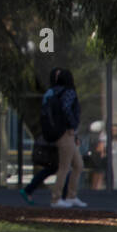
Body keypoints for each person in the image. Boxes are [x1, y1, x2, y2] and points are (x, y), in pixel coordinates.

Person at [21, 67, 69, 204]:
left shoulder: (52, 94)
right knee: (64, 167)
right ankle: (61, 197)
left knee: (55, 167)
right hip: (56, 135)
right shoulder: (53, 95)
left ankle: (30, 189)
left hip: (55, 134)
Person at [49, 69, 86, 208]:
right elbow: (66, 108)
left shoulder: (55, 92)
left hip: (66, 134)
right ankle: (56, 198)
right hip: (66, 133)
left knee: (78, 165)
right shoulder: (69, 92)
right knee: (64, 167)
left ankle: (71, 195)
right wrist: (72, 125)